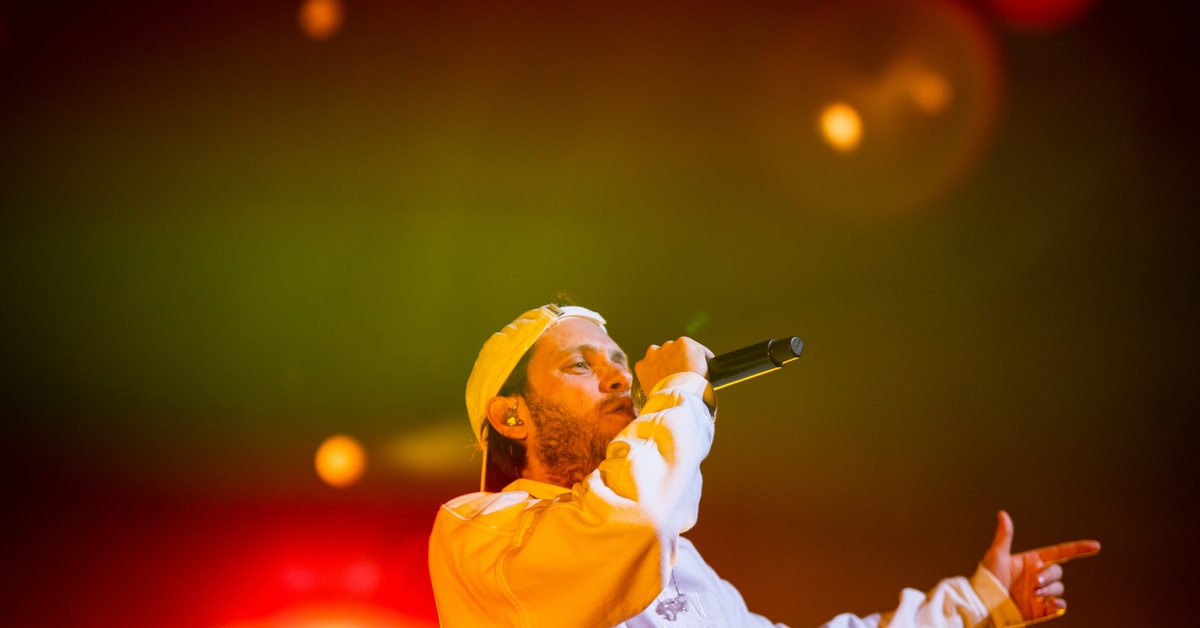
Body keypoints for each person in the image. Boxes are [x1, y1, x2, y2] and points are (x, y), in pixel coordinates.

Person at [428, 304, 1100, 627]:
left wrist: (977, 605)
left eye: (617, 362)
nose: (616, 378)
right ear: (510, 416)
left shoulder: (683, 572)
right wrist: (682, 393)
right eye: (581, 365)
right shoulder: (479, 535)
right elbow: (633, 521)